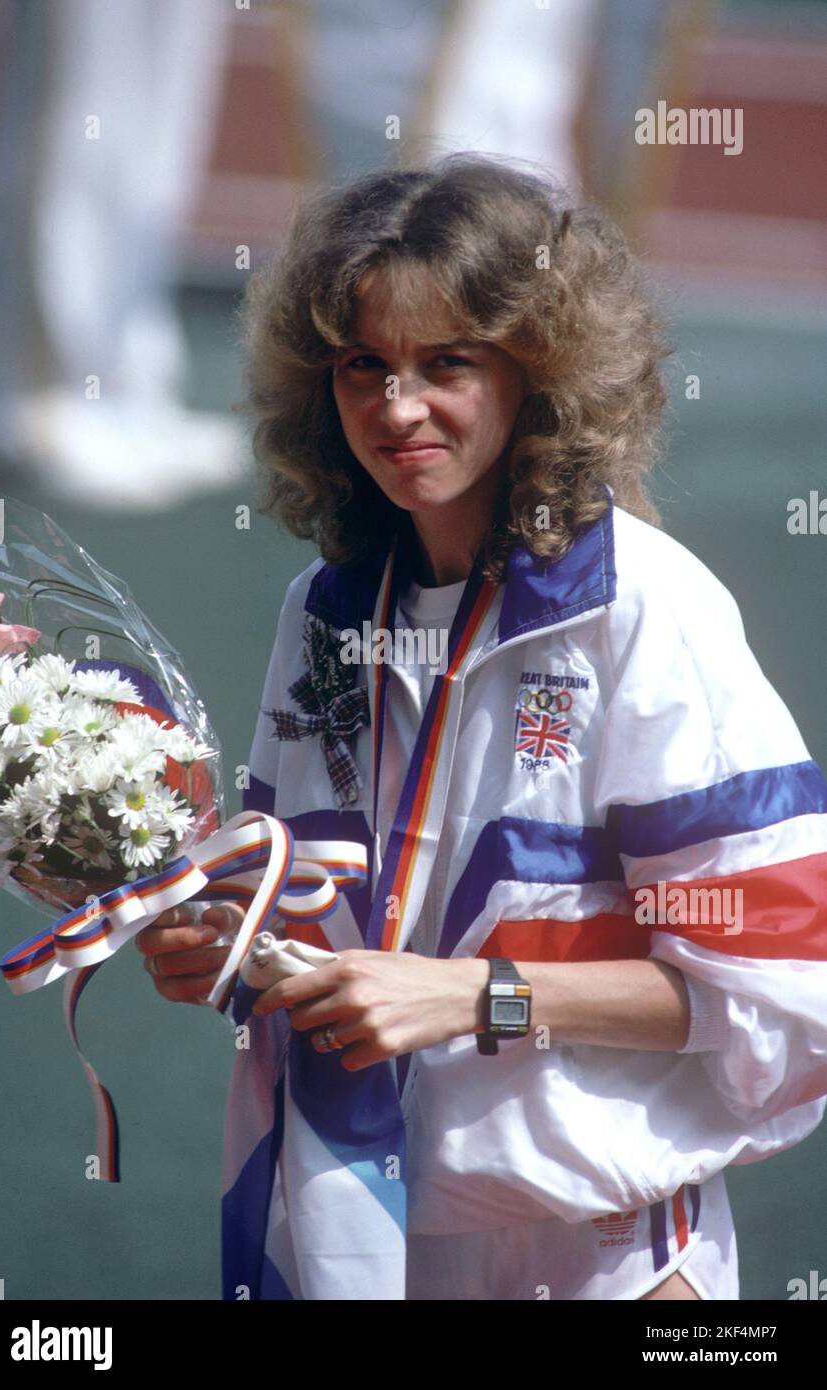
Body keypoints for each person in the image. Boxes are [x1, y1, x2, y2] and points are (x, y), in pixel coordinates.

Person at [135, 154, 827, 1301]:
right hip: (361, 1232)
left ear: (534, 374)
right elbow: (313, 926)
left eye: (444, 362)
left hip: (605, 1245)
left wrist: (470, 993)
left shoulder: (647, 611)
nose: (397, 407)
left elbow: (785, 982)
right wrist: (223, 956)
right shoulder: (321, 612)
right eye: (364, 364)